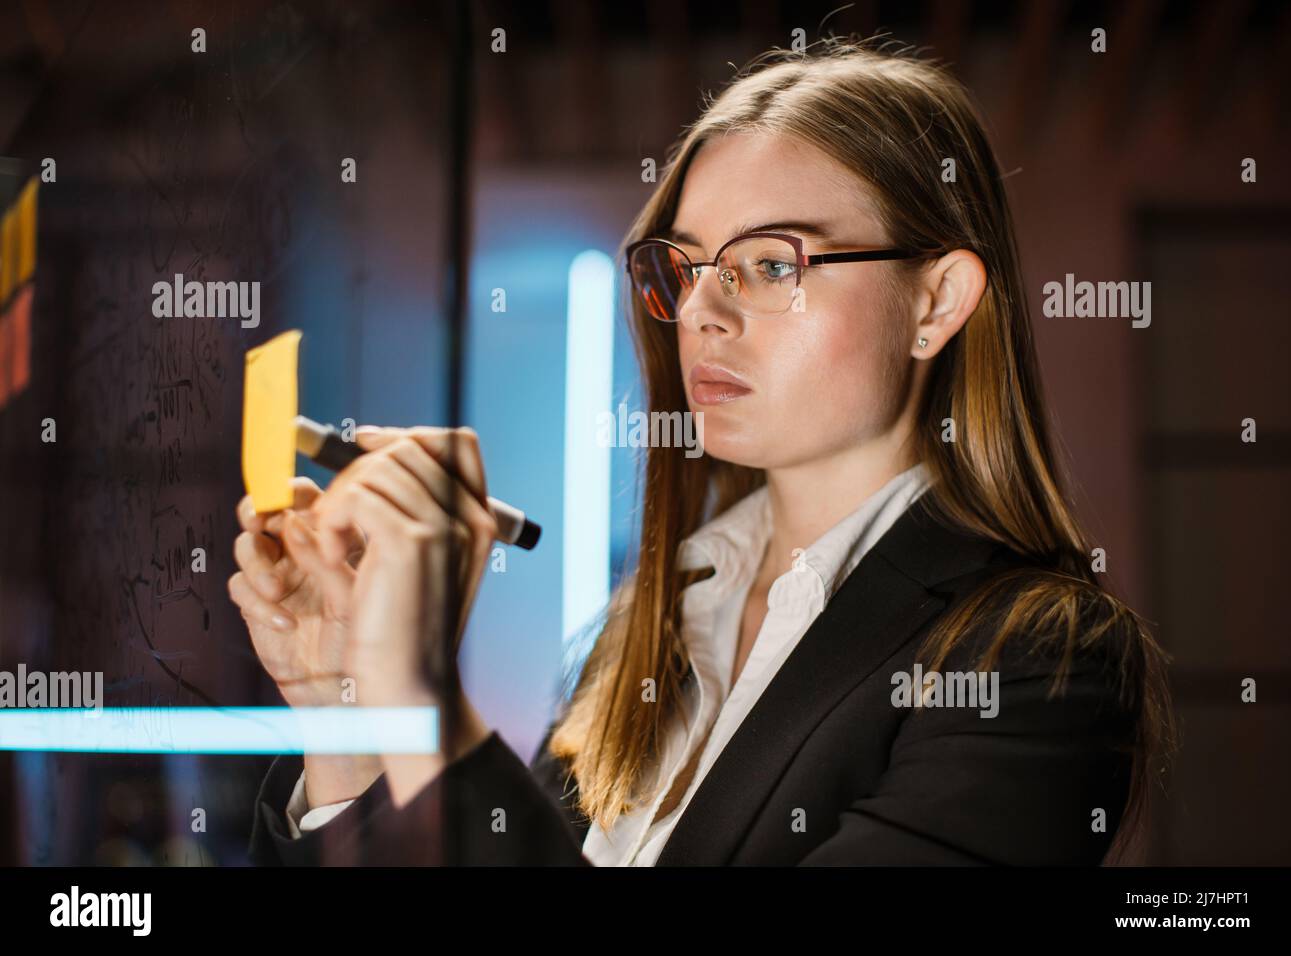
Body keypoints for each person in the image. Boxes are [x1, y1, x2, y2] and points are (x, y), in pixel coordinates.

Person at [231, 36, 1174, 866]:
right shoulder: (644, 629)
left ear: (935, 302)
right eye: (682, 267)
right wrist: (355, 722)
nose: (700, 313)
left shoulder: (1040, 662)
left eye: (770, 264)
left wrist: (423, 697)